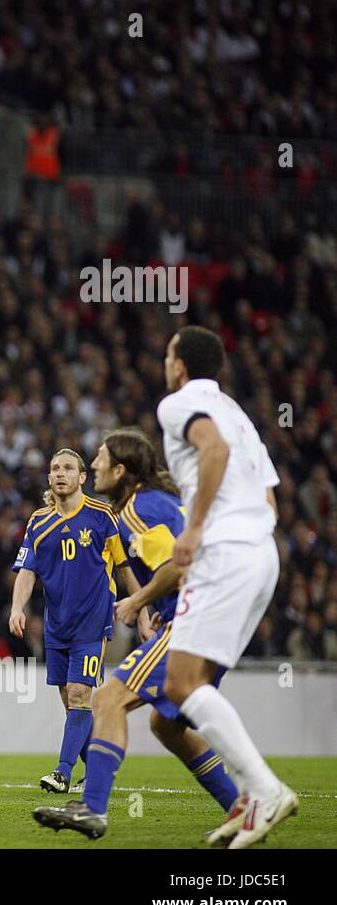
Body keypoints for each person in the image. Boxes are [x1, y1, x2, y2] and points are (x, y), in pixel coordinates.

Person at [121, 330, 292, 847]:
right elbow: (270, 501)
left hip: (223, 552)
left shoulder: (179, 404)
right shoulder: (239, 414)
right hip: (262, 553)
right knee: (183, 692)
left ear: (178, 366)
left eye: (167, 353)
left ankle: (263, 787)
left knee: (179, 684)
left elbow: (210, 449)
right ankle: (248, 799)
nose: (164, 362)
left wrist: (195, 530)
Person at [34, 428, 238, 839]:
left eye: (99, 459)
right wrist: (160, 607)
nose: (94, 466)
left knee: (106, 697)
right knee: (167, 725)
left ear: (121, 469)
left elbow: (178, 566)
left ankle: (91, 807)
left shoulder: (136, 511)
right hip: (214, 613)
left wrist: (136, 601)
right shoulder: (156, 503)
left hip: (198, 618)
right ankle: (238, 807)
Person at [9, 448, 148, 794]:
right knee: (72, 703)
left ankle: (61, 773)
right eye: (54, 468)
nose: (60, 473)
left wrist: (141, 609)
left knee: (78, 694)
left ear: (82, 477)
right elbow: (27, 571)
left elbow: (124, 566)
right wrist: (17, 608)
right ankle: (97, 771)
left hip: (93, 619)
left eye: (68, 468)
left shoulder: (102, 515)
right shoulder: (38, 522)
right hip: (57, 623)